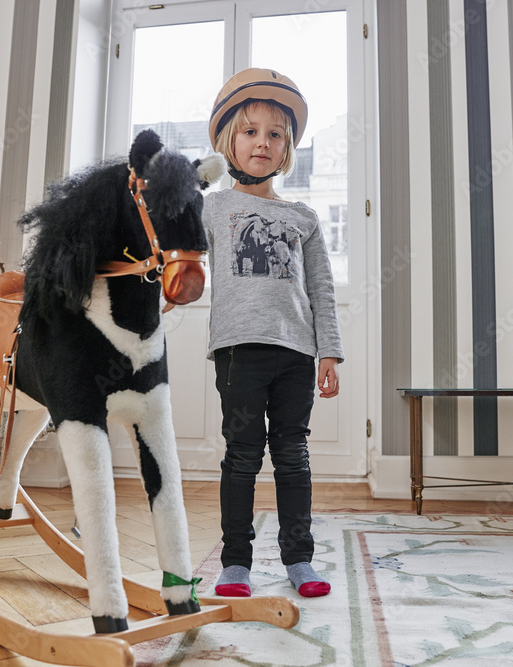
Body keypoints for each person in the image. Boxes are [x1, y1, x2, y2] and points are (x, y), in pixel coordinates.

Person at [204, 68, 344, 598]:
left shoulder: (303, 217)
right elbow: (177, 253)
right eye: (250, 131)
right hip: (238, 351)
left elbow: (322, 291)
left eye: (274, 134)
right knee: (242, 453)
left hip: (295, 353)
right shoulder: (212, 207)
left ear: (286, 148)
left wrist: (328, 353)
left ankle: (298, 560)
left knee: (292, 453)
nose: (262, 142)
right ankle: (236, 562)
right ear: (229, 141)